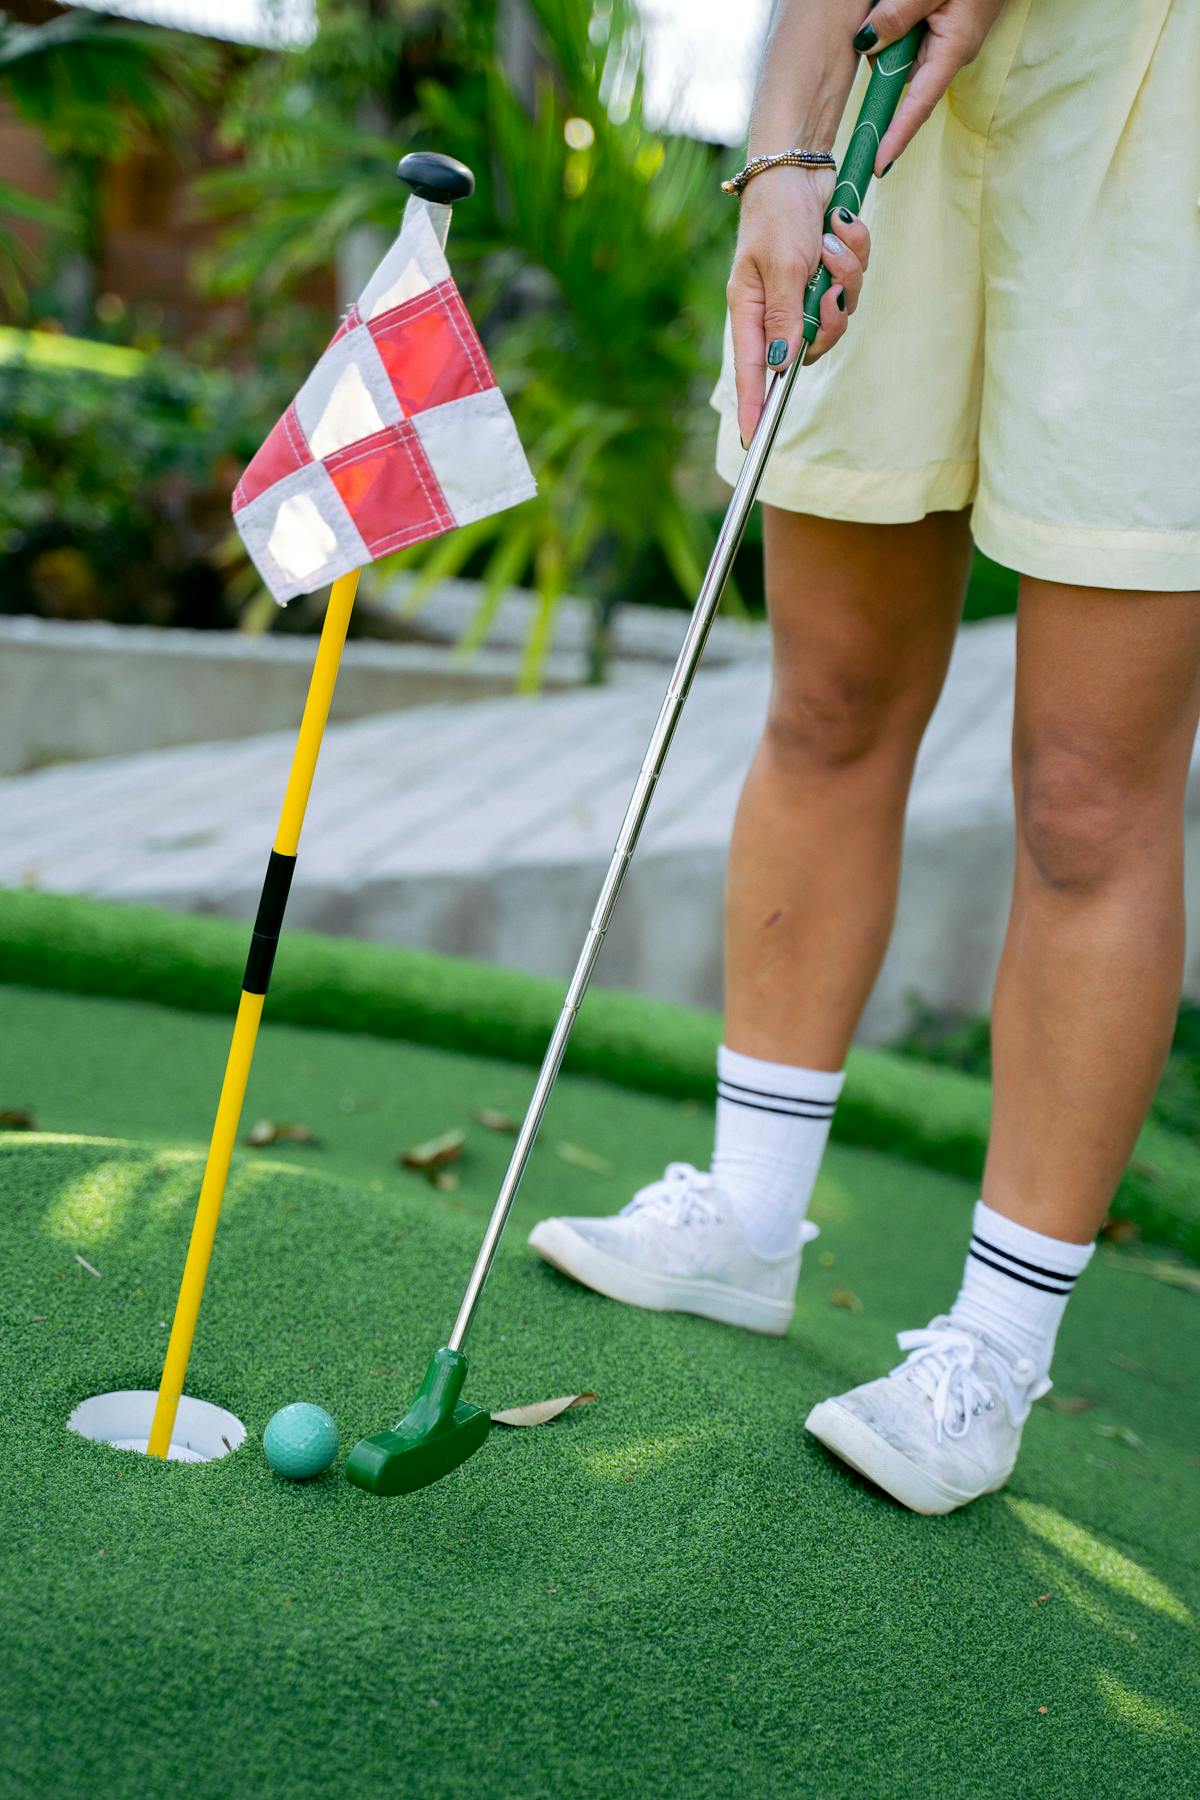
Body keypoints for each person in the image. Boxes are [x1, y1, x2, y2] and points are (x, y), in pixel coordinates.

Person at [529, 0, 1200, 1515]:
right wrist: (783, 151)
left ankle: (994, 1351)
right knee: (826, 703)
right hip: (892, 100)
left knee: (1087, 799)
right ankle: (750, 1216)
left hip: (1161, 111)